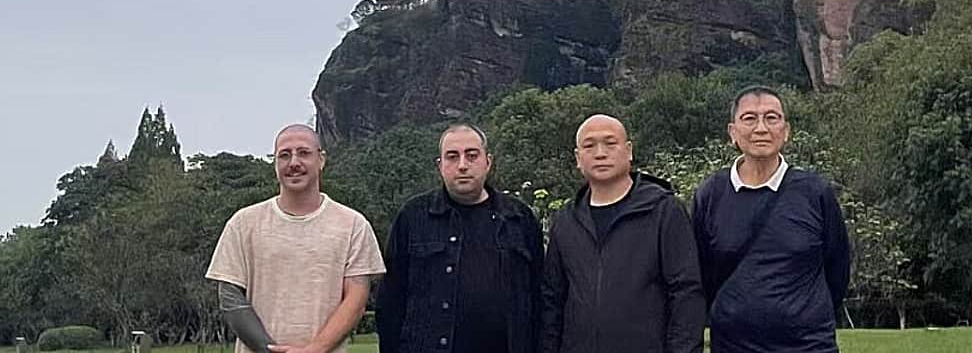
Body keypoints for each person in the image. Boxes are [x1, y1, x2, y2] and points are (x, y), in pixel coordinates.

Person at [691, 86, 850, 353]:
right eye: (749, 118)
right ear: (732, 132)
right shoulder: (711, 194)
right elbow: (700, 272)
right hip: (733, 346)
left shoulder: (814, 191)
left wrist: (805, 317)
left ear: (786, 131)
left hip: (808, 346)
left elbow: (837, 268)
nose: (761, 128)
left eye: (772, 118)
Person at [206, 124, 385, 353]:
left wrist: (315, 349)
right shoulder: (243, 223)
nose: (294, 163)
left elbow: (356, 298)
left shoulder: (353, 225)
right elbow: (230, 296)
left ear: (321, 160)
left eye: (303, 153)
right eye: (284, 155)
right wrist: (268, 349)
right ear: (275, 165)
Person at [541, 114, 705, 353]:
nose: (600, 153)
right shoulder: (567, 221)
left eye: (610, 143)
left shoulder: (662, 210)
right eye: (589, 146)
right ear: (578, 158)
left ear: (629, 151)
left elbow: (686, 294)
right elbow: (552, 301)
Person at [377, 123, 543, 353]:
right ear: (440, 166)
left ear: (488, 162)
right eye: (452, 157)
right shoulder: (412, 217)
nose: (463, 165)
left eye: (472, 155)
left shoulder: (520, 218)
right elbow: (390, 303)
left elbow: (539, 299)